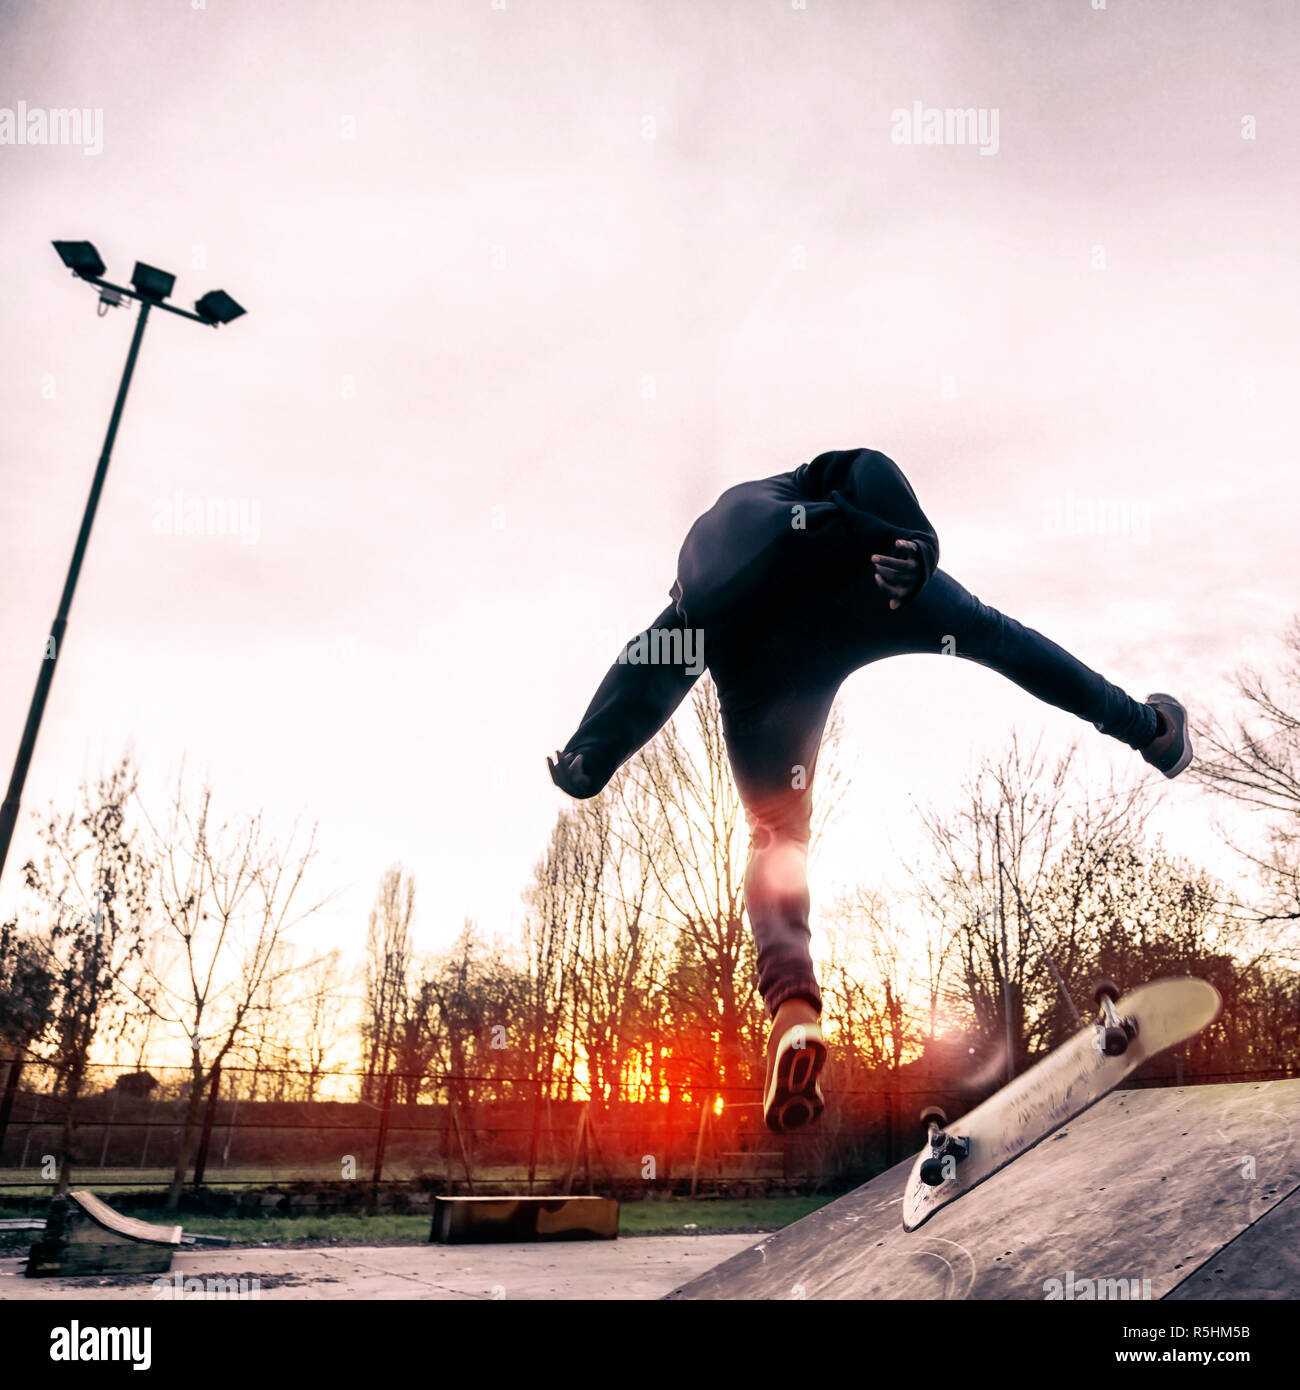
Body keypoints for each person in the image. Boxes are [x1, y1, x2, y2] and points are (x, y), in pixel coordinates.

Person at [546, 447, 1192, 1134]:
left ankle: (794, 1014)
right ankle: (1151, 730)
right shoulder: (791, 488)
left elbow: (649, 664)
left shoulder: (693, 599)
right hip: (868, 574)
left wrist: (594, 751)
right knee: (998, 640)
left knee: (775, 834)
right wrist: (912, 545)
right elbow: (864, 466)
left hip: (756, 655)